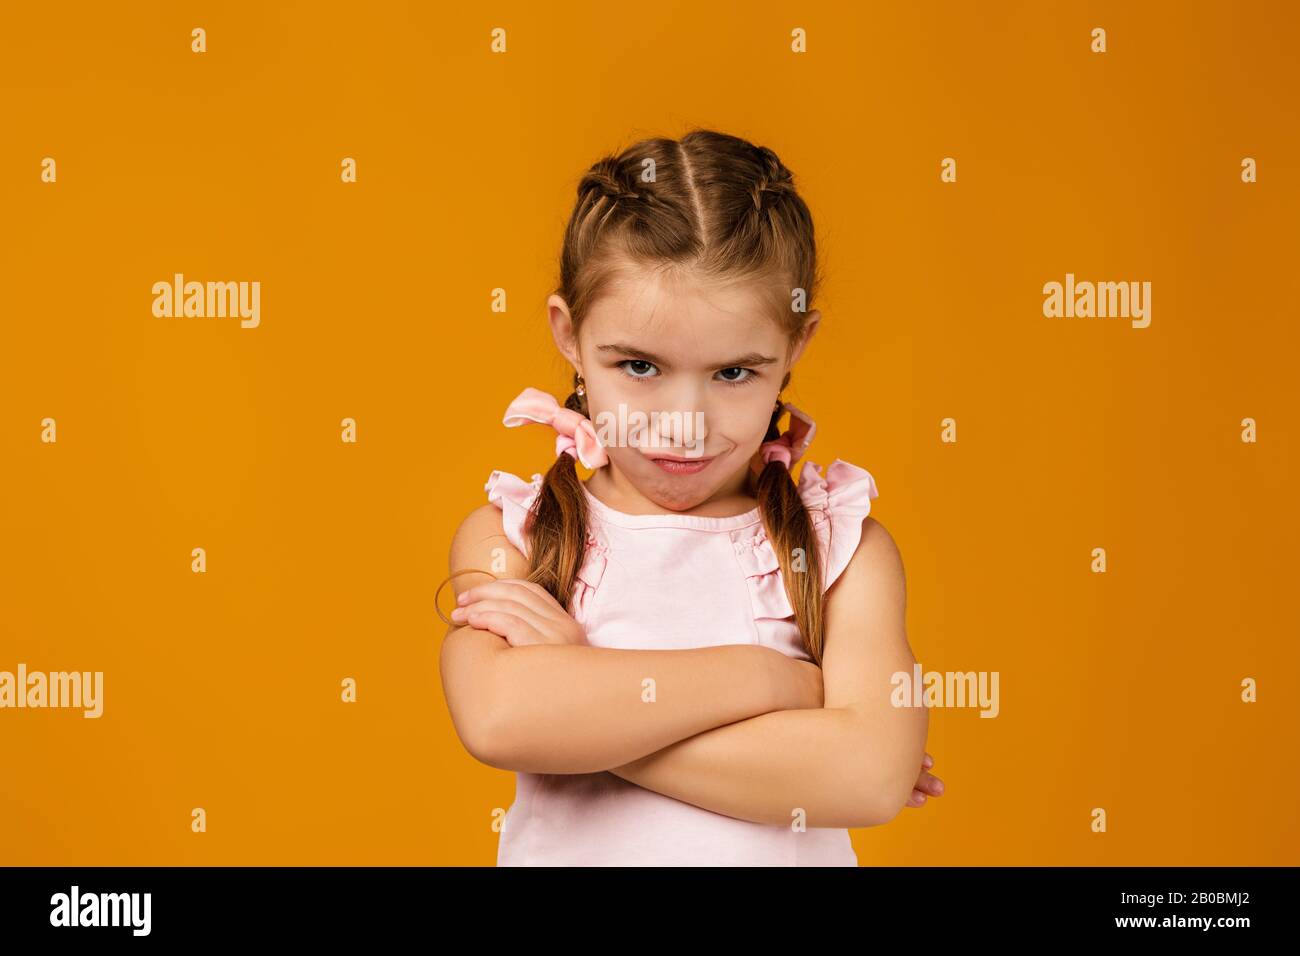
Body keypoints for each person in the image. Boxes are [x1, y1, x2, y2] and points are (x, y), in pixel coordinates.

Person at [438, 128, 944, 866]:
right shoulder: (516, 537)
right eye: (640, 364)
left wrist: (584, 707)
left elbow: (868, 779)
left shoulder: (842, 551)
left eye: (733, 373)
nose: (684, 422)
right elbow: (500, 718)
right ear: (571, 336)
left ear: (796, 345)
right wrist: (776, 682)